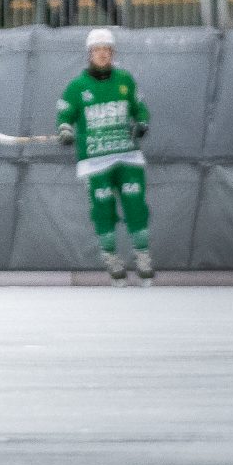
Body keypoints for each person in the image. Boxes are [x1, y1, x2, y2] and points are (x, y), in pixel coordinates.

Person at [57, 29, 153, 286]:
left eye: (106, 50)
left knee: (136, 205)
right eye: (97, 50)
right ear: (90, 54)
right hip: (95, 160)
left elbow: (140, 108)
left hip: (127, 155)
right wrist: (65, 129)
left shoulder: (125, 80)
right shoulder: (77, 87)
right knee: (103, 209)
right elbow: (65, 115)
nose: (102, 54)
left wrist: (141, 124)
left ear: (112, 53)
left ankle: (142, 255)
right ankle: (111, 257)